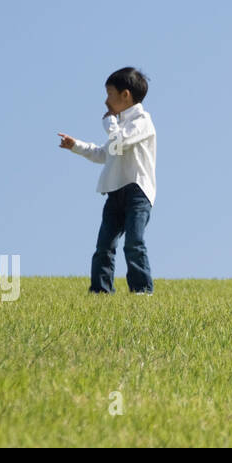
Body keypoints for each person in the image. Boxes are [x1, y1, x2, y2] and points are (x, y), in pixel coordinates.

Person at [58, 67, 157, 295]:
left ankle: (142, 291)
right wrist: (76, 146)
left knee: (134, 242)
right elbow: (105, 154)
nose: (106, 101)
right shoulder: (120, 125)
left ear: (126, 95)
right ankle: (100, 292)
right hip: (115, 191)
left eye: (110, 94)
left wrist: (109, 124)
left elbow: (119, 142)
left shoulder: (142, 122)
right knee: (104, 246)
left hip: (137, 192)